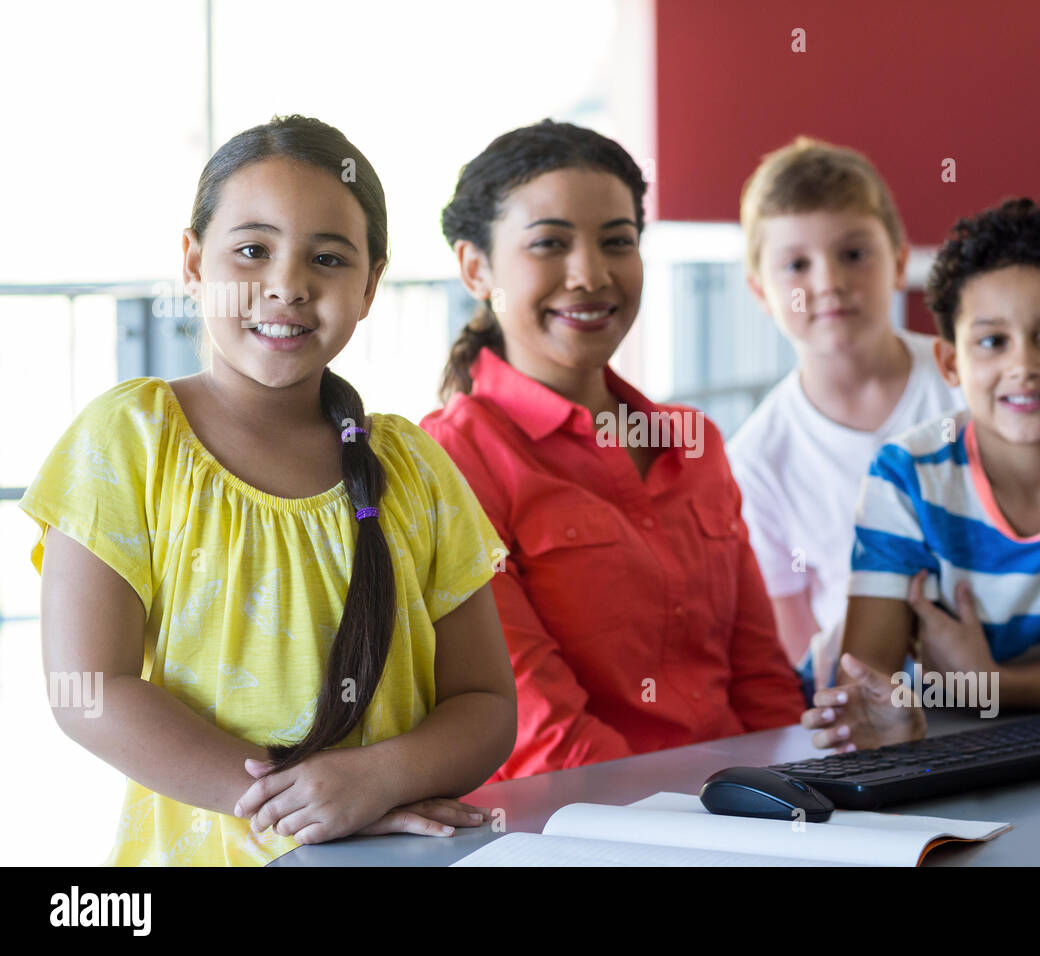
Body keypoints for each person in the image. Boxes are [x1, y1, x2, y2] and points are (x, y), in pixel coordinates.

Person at [20, 115, 516, 865]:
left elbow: (485, 706)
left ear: (370, 285)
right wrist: (301, 806)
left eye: (327, 258)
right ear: (193, 262)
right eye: (252, 250)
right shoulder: (129, 439)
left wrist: (375, 781)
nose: (287, 285)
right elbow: (89, 690)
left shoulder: (415, 465)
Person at [421, 119, 805, 780]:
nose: (590, 275)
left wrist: (798, 805)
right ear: (476, 268)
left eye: (617, 242)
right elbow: (538, 729)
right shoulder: (453, 459)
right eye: (550, 244)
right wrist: (702, 826)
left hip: (749, 816)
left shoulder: (694, 441)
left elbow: (763, 686)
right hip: (589, 827)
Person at [805, 198, 1040, 751]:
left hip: (1023, 733)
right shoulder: (907, 475)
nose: (1023, 365)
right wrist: (893, 717)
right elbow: (869, 683)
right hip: (899, 732)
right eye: (992, 341)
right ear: (951, 364)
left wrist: (987, 685)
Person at [727, 137, 962, 697]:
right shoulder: (758, 455)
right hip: (867, 699)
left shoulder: (969, 383)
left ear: (900, 261)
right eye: (796, 264)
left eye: (854, 254)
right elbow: (792, 625)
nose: (828, 283)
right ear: (761, 291)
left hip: (1007, 678)